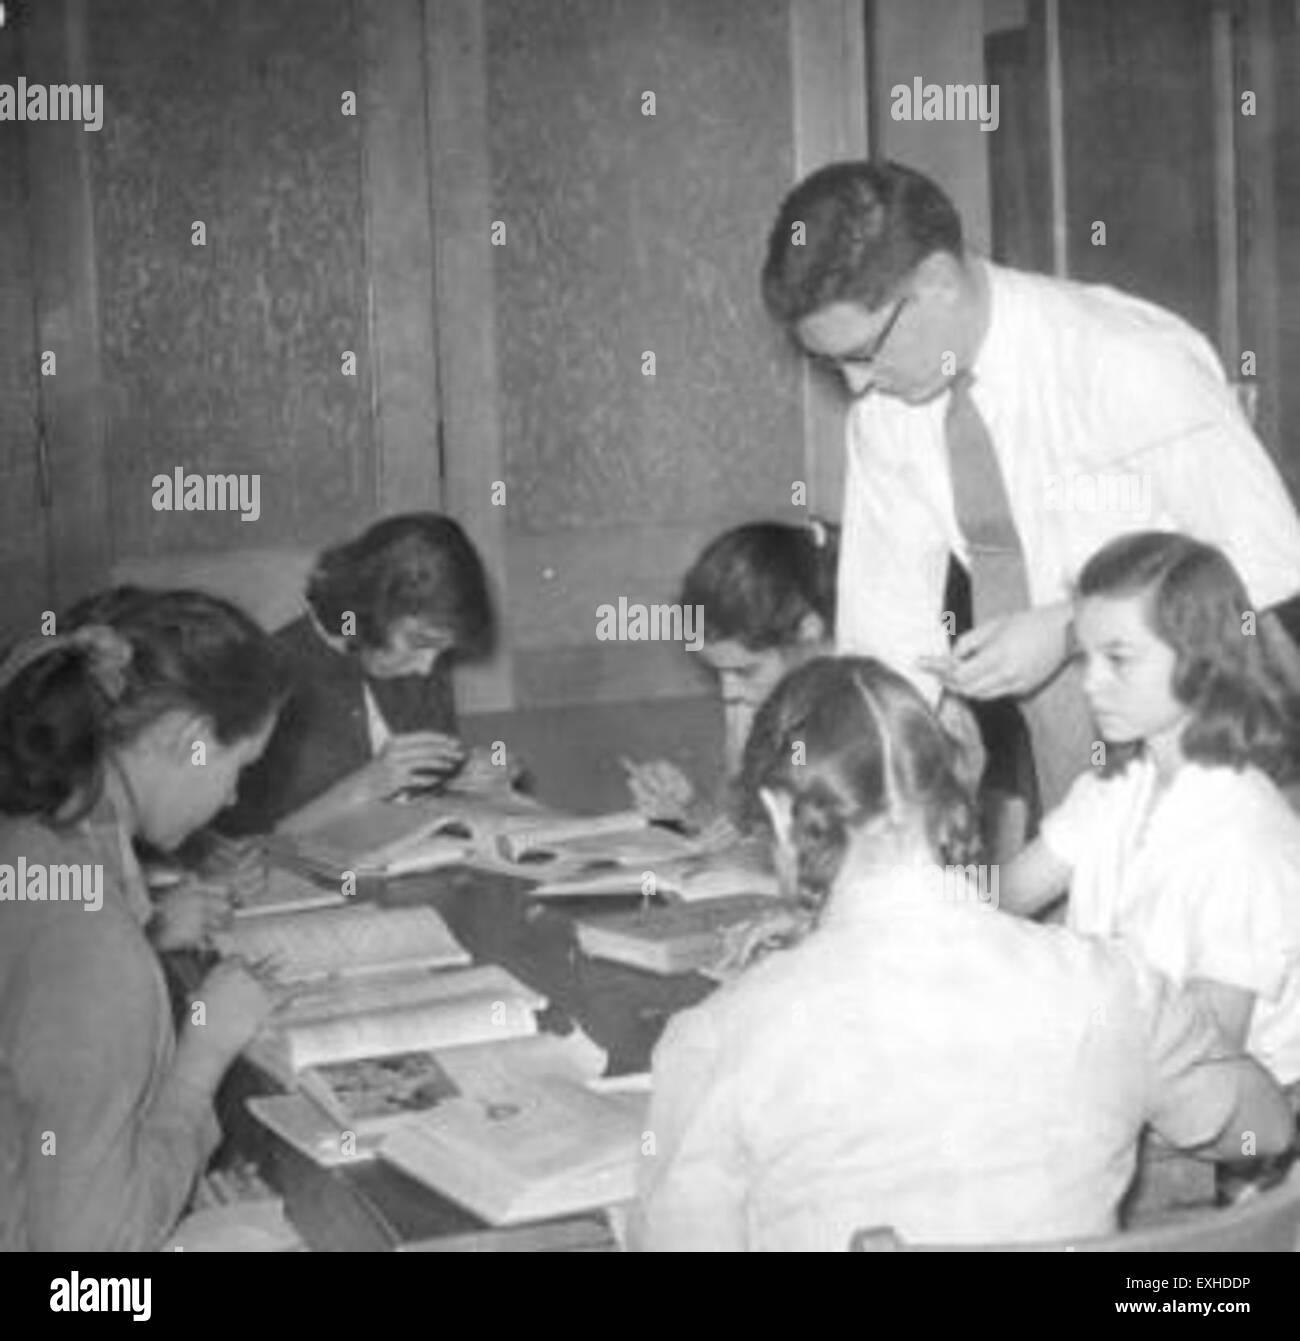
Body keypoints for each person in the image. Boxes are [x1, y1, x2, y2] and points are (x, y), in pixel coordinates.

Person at [632, 656, 1293, 1251]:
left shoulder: (715, 1037)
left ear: (780, 814)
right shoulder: (1113, 984)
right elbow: (1265, 1131)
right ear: (954, 788)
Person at [761, 160, 1300, 814]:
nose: (855, 385)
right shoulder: (887, 418)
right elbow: (885, 640)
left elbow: (1273, 553)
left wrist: (1072, 627)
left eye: (863, 352)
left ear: (936, 282)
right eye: (830, 362)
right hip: (1071, 764)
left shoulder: (1124, 357)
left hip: (1223, 736)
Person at [0, 588, 292, 1250]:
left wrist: (170, 1179)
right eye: (238, 766)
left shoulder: (31, 839)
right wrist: (203, 1059)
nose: (234, 795)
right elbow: (82, 1279)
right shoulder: (94, 946)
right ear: (189, 741)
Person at [1000, 532, 1300, 1104]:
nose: (1090, 682)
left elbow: (1206, 1057)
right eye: (1084, 658)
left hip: (1231, 1135)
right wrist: (903, 895)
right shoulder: (1116, 787)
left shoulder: (1243, 839)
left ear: (1202, 657)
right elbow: (1004, 892)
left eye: (1118, 659)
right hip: (1130, 1074)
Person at [221, 513, 496, 836]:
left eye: (441, 651)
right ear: (371, 608)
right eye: (420, 642)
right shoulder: (267, 674)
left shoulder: (422, 669)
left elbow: (429, 798)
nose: (427, 667)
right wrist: (363, 788)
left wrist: (465, 783)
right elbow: (243, 852)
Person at [621, 519, 837, 838]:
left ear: (809, 632)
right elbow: (745, 824)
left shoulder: (871, 712)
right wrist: (690, 810)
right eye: (718, 673)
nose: (730, 692)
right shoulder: (755, 705)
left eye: (745, 671)